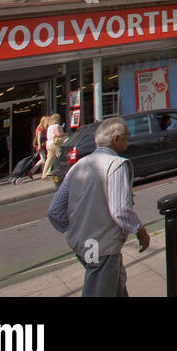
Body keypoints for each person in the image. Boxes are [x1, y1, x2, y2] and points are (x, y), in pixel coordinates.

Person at [47, 117, 150, 297]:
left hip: (83, 243)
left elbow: (54, 210)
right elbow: (120, 210)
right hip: (101, 245)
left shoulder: (79, 165)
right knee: (100, 289)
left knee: (115, 286)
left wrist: (75, 228)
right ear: (116, 139)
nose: (129, 139)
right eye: (127, 135)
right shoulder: (116, 165)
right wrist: (140, 230)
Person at [40, 113, 65, 180]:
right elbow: (58, 134)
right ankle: (64, 171)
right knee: (61, 157)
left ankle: (44, 174)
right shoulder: (56, 125)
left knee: (49, 159)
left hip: (48, 144)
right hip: (55, 144)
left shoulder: (49, 127)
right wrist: (66, 134)